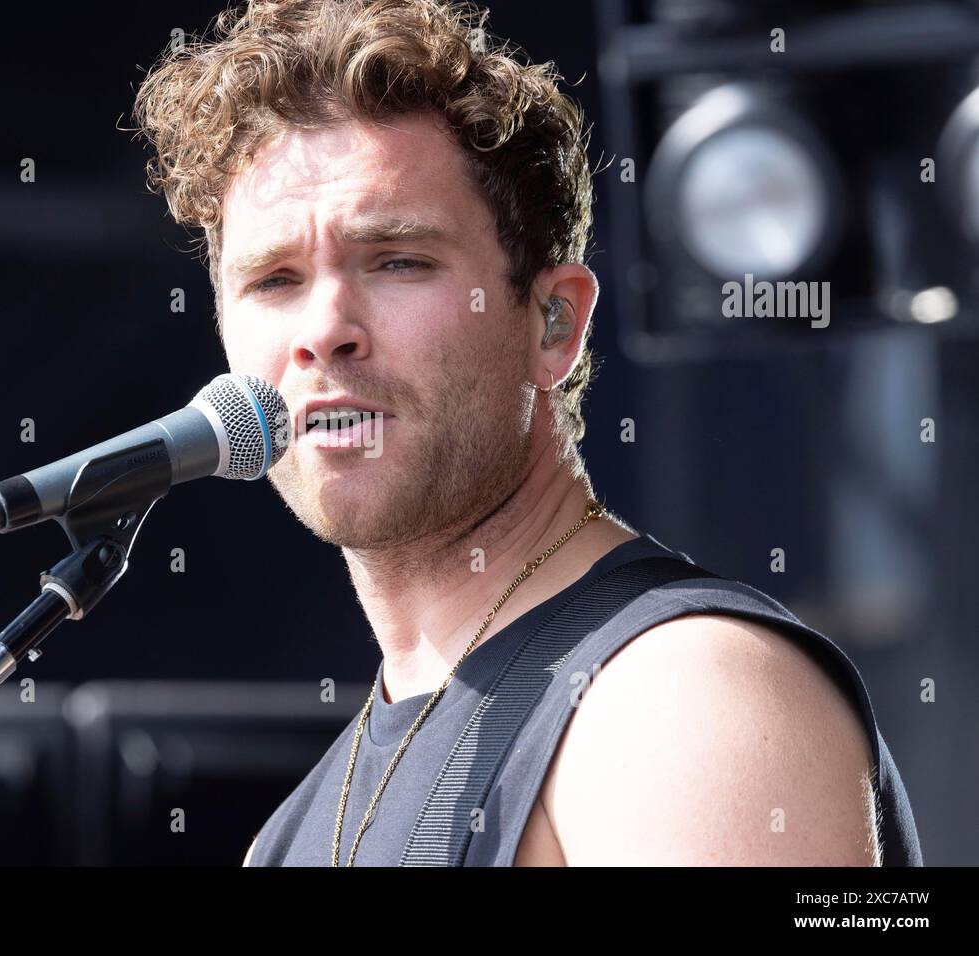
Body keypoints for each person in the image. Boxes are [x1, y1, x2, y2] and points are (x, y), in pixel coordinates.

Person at [130, 0, 923, 865]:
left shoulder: (681, 693)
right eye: (274, 280)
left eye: (398, 261)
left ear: (555, 324)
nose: (325, 328)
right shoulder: (291, 832)